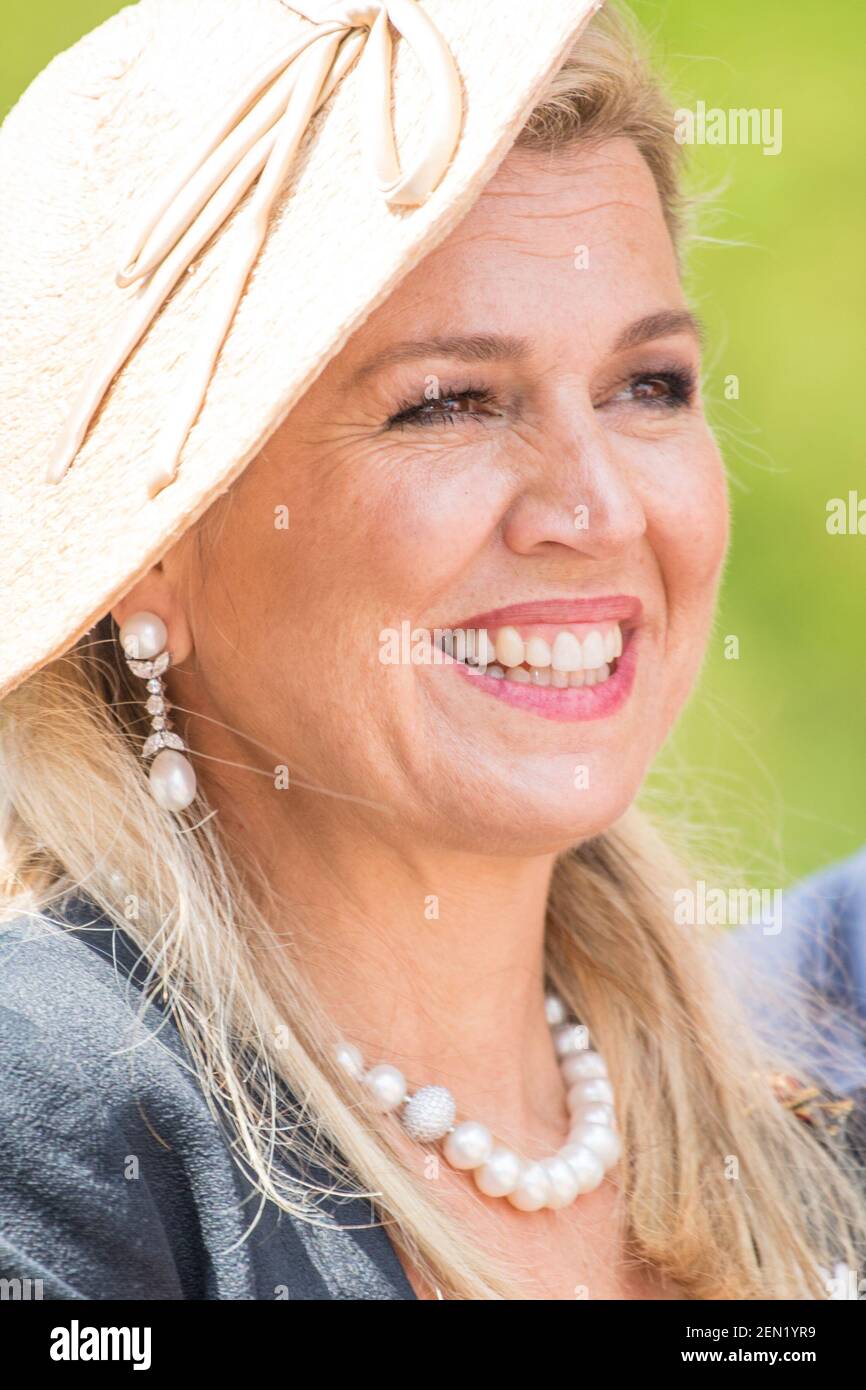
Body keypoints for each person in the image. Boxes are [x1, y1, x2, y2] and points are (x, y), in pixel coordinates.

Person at [0, 0, 863, 1301]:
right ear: (154, 547)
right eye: (449, 402)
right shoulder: (52, 1119)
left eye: (648, 385)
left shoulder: (797, 1109)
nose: (596, 510)